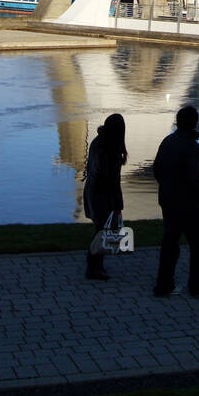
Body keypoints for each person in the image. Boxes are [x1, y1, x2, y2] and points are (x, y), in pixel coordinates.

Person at [152, 105, 199, 298]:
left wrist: (166, 187)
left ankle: (164, 284)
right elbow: (195, 177)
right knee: (198, 244)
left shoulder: (167, 141)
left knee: (170, 243)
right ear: (194, 123)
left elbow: (157, 168)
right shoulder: (191, 145)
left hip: (168, 201)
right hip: (189, 204)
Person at [83, 113, 127, 281]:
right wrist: (117, 204)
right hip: (102, 193)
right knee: (101, 230)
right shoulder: (109, 147)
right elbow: (110, 179)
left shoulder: (99, 142)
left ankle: (96, 264)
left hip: (96, 191)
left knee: (101, 229)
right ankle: (93, 266)